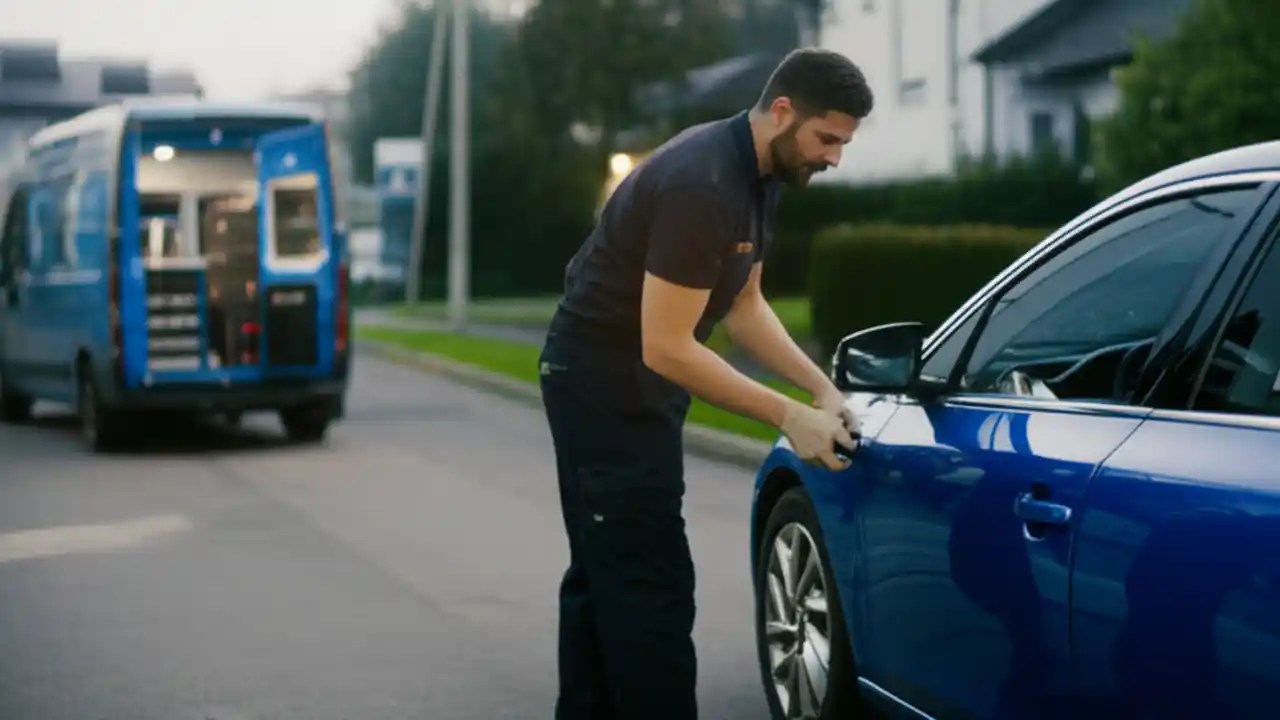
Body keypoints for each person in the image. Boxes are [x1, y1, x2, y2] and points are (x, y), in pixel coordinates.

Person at [537, 47, 875, 719]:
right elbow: (666, 347)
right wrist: (788, 416)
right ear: (783, 111)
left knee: (604, 578)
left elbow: (744, 305)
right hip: (601, 390)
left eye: (843, 143)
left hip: (634, 387)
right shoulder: (704, 184)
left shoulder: (757, 174)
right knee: (649, 589)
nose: (835, 157)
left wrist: (822, 390)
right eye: (827, 139)